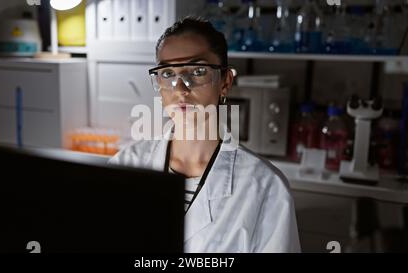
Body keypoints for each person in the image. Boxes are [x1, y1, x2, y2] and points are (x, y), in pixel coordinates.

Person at [109, 17, 301, 253]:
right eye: (168, 73)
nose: (180, 88)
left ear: (225, 82)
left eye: (198, 71)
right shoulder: (125, 166)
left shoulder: (265, 187)